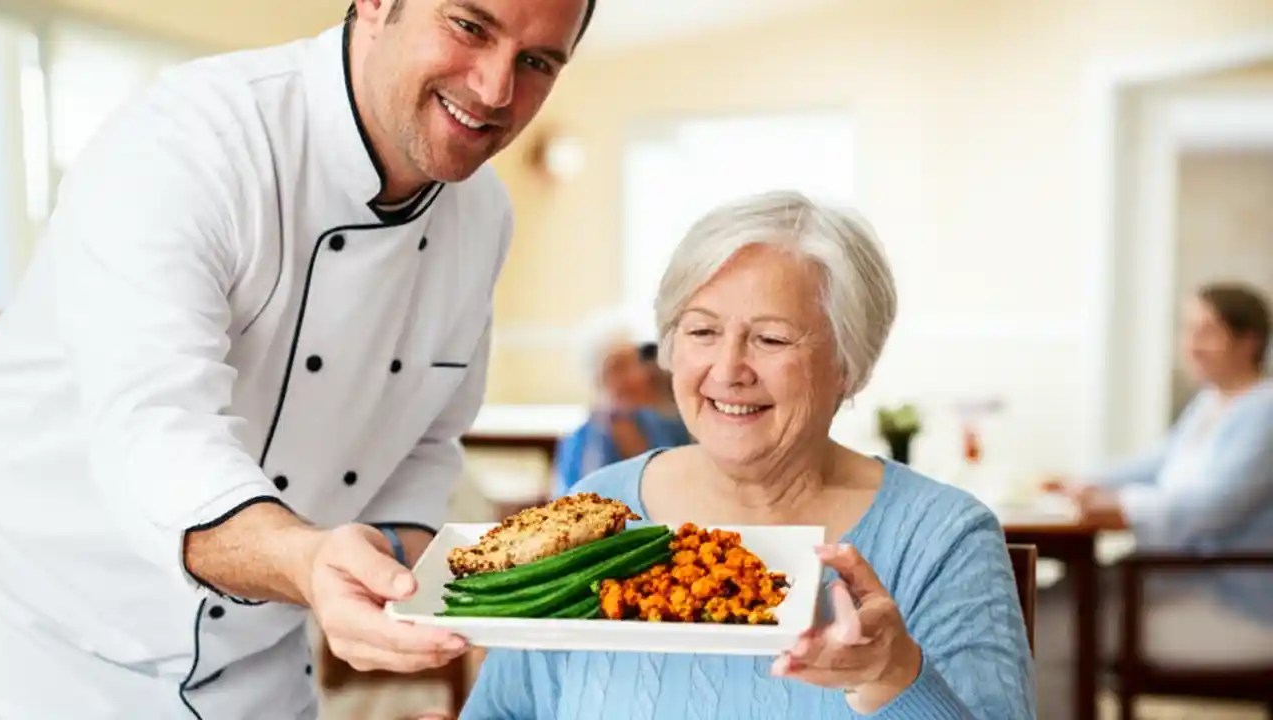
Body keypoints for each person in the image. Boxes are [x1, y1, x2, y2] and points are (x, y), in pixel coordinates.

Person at [0, 0, 595, 716]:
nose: (496, 90)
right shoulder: (193, 138)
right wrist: (309, 565)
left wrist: (394, 580)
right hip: (47, 651)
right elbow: (154, 429)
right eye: (469, 26)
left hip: (260, 668)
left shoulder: (482, 213)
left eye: (536, 62)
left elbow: (424, 446)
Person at [463, 191, 1035, 718]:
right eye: (703, 332)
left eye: (772, 339)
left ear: (847, 363)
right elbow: (503, 711)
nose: (729, 370)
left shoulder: (941, 539)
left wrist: (894, 677)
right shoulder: (598, 510)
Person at [1045, 282, 1273, 665]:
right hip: (1181, 583)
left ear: (1247, 342)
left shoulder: (1264, 412)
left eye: (1207, 333)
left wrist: (1121, 505)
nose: (1191, 345)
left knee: (1047, 623)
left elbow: (1215, 508)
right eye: (1188, 331)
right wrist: (1079, 482)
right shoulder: (1213, 402)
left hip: (1234, 604)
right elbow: (1157, 464)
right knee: (1048, 600)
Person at [553, 315, 692, 496]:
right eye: (618, 368)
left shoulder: (668, 425)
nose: (637, 376)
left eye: (635, 363)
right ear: (597, 380)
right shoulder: (584, 443)